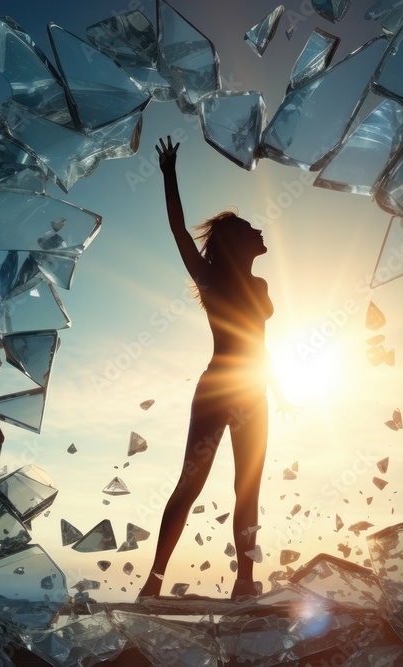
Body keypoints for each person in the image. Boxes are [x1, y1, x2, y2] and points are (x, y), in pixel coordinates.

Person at [138, 136, 293, 601]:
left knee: (248, 488)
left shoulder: (260, 282)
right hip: (219, 388)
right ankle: (155, 581)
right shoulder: (211, 278)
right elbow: (180, 235)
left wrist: (279, 390)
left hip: (252, 391)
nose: (258, 230)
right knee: (191, 482)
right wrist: (169, 174)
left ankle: (244, 583)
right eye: (250, 226)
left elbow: (258, 345)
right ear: (234, 241)